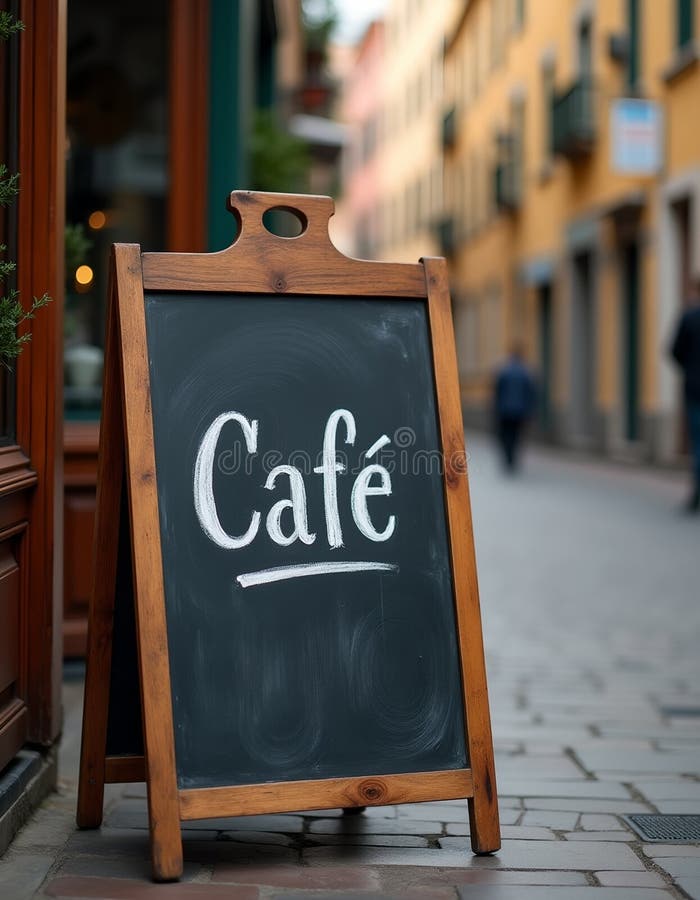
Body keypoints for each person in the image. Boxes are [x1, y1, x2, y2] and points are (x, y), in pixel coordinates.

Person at [671, 293, 700, 513]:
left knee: (698, 444)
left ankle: (697, 494)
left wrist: (690, 369)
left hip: (694, 390)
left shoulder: (689, 318)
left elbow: (674, 351)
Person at [493, 343, 536, 473]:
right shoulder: (526, 372)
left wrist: (496, 408)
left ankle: (508, 457)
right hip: (520, 411)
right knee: (517, 435)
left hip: (504, 411)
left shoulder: (503, 371)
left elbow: (497, 391)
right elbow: (531, 393)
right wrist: (530, 410)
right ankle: (513, 458)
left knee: (505, 435)